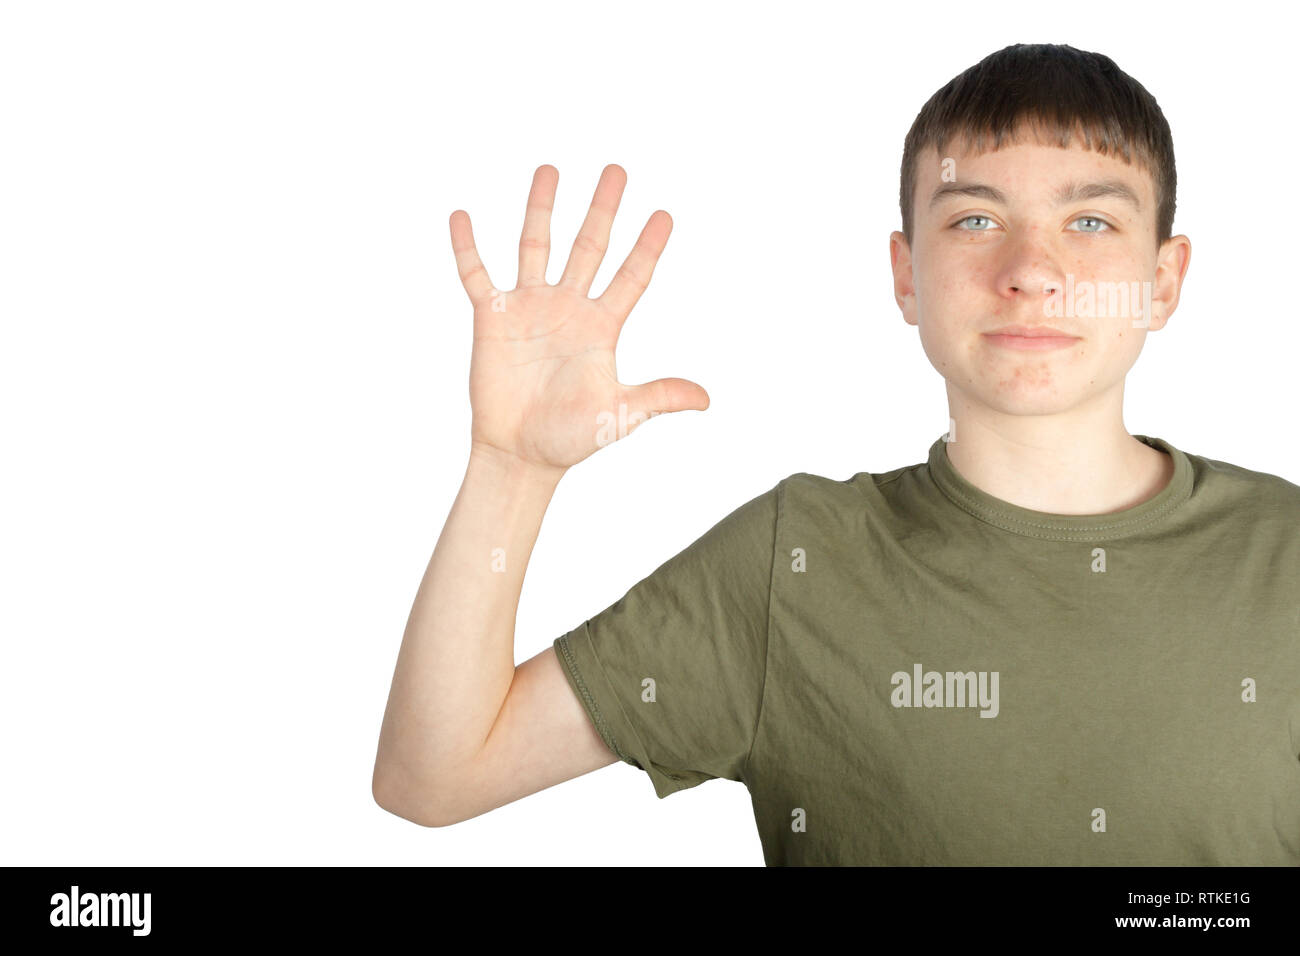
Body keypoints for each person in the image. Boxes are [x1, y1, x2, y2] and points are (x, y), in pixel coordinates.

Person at [372, 43, 1300, 865]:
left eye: (1090, 222)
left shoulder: (1284, 554)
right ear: (905, 275)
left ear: (1163, 281)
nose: (1031, 268)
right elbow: (437, 775)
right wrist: (512, 467)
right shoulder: (797, 564)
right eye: (974, 219)